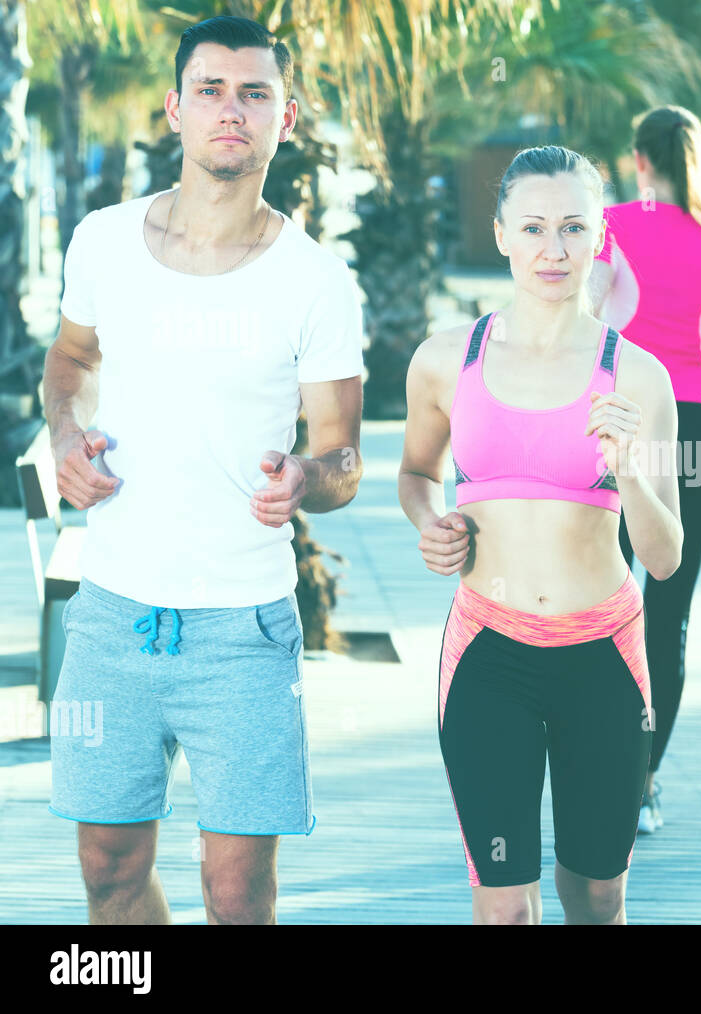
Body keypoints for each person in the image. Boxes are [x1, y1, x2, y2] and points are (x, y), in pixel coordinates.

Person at [44, 16, 365, 925]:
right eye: (213, 90)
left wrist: (309, 475)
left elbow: (345, 452)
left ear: (286, 118)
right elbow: (69, 361)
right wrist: (68, 433)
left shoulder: (313, 280)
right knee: (106, 870)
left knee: (237, 893)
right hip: (108, 616)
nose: (233, 109)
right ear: (174, 110)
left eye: (255, 93)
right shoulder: (101, 240)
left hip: (245, 631)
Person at [401, 145, 682, 925]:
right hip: (488, 654)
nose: (552, 250)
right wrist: (432, 525)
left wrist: (627, 471)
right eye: (532, 228)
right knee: (504, 907)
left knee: (596, 896)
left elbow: (664, 554)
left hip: (603, 658)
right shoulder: (443, 361)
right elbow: (416, 476)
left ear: (601, 239)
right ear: (500, 235)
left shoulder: (638, 377)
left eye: (572, 228)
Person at [586, 106, 701, 834]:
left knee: (600, 593)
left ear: (639, 159)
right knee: (669, 611)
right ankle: (642, 784)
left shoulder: (612, 223)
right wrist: (689, 357)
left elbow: (586, 319)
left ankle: (592, 766)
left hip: (625, 419)